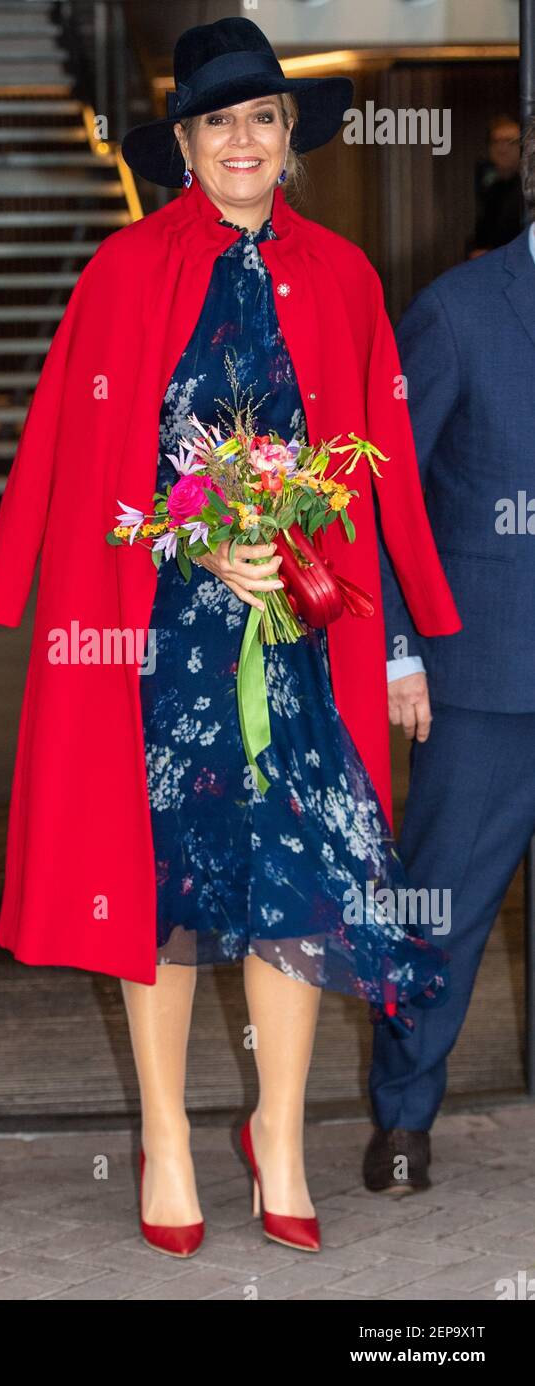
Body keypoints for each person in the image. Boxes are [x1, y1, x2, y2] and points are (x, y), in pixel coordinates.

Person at [0, 17, 460, 1256]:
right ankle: (169, 1137)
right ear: (180, 145)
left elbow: (380, 464)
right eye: (215, 122)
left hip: (302, 629)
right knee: (166, 886)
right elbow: (77, 461)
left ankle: (281, 1137)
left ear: (288, 142)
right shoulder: (123, 272)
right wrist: (189, 543)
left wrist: (404, 624)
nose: (240, 141)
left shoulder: (345, 276)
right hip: (159, 637)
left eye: (261, 119)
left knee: (292, 882)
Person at [365, 117, 535, 1197]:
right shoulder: (457, 311)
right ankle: (399, 1118)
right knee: (439, 909)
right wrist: (393, 650)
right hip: (480, 683)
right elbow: (380, 497)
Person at [467, 114, 523, 258]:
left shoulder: (528, 190)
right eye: (496, 141)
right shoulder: (491, 189)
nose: (502, 148)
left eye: (510, 142)